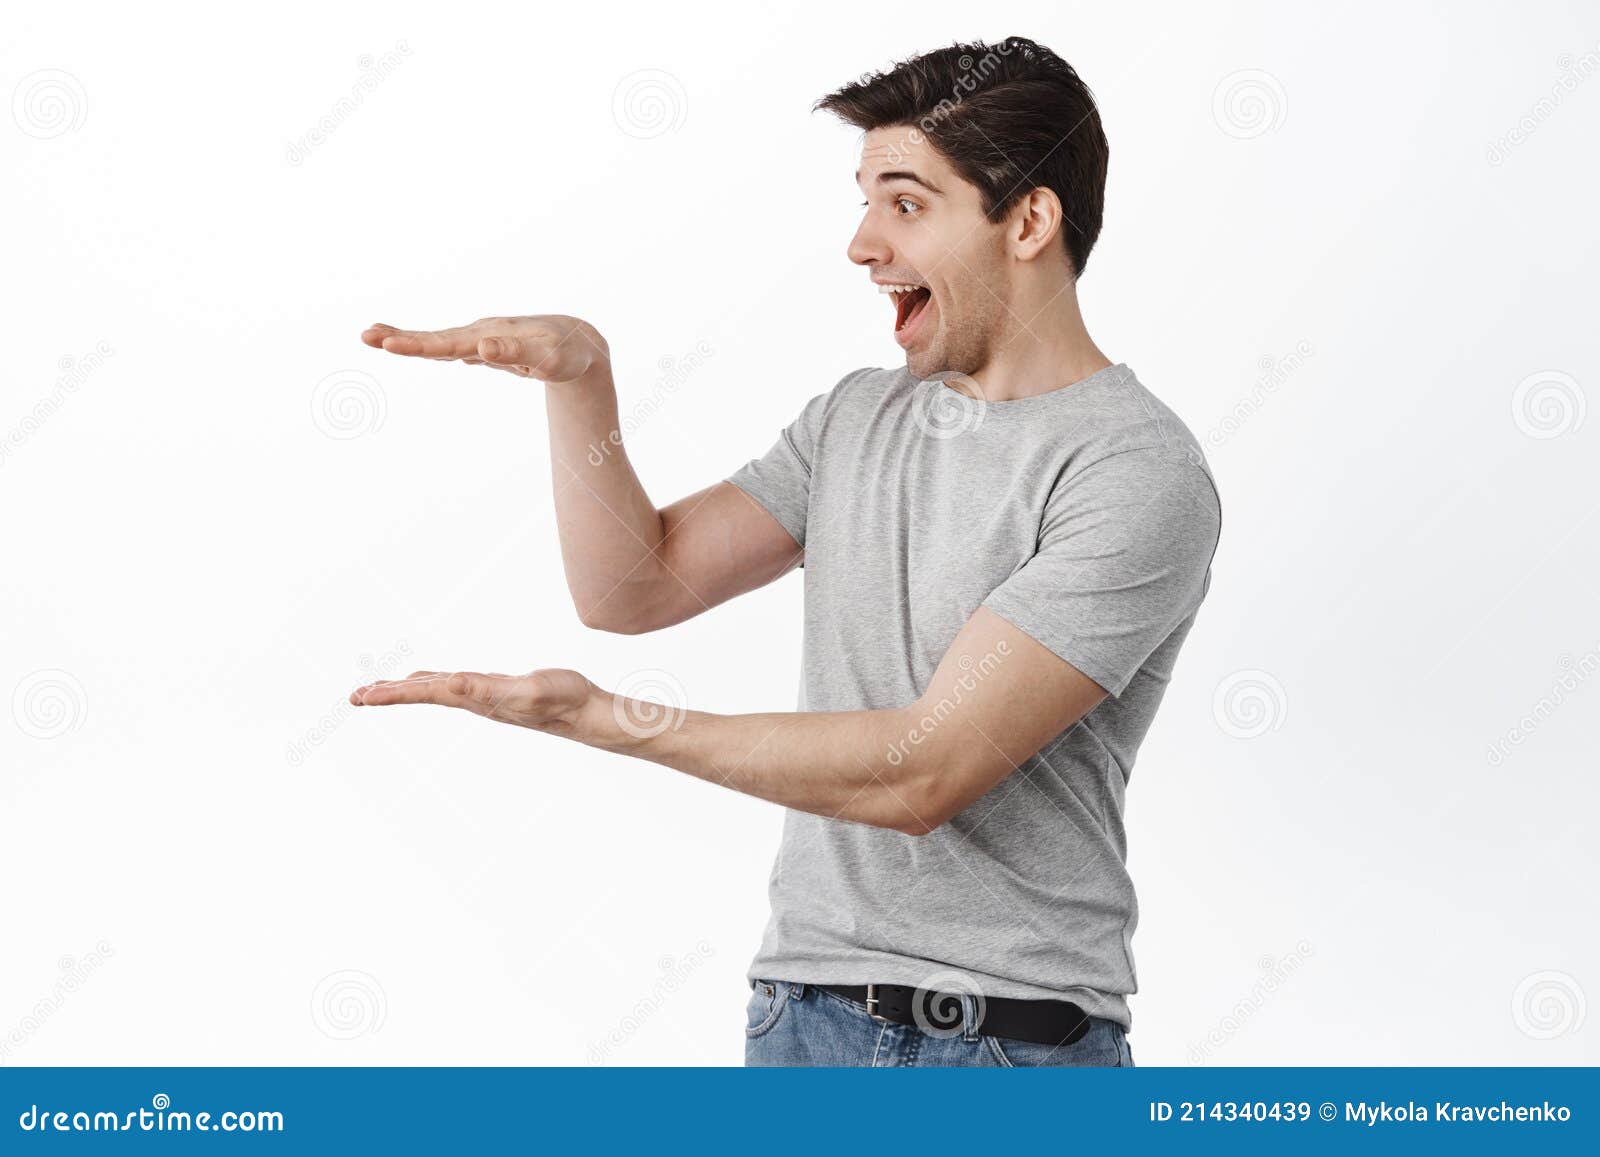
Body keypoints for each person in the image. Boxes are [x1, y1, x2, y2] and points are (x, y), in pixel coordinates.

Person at [349, 36, 1221, 1068]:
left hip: (1007, 1045)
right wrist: (580, 381)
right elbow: (632, 584)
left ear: (1028, 220)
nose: (860, 243)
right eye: (863, 201)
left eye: (904, 203)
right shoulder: (858, 418)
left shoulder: (1135, 470)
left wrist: (606, 718)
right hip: (801, 1019)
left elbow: (922, 773)